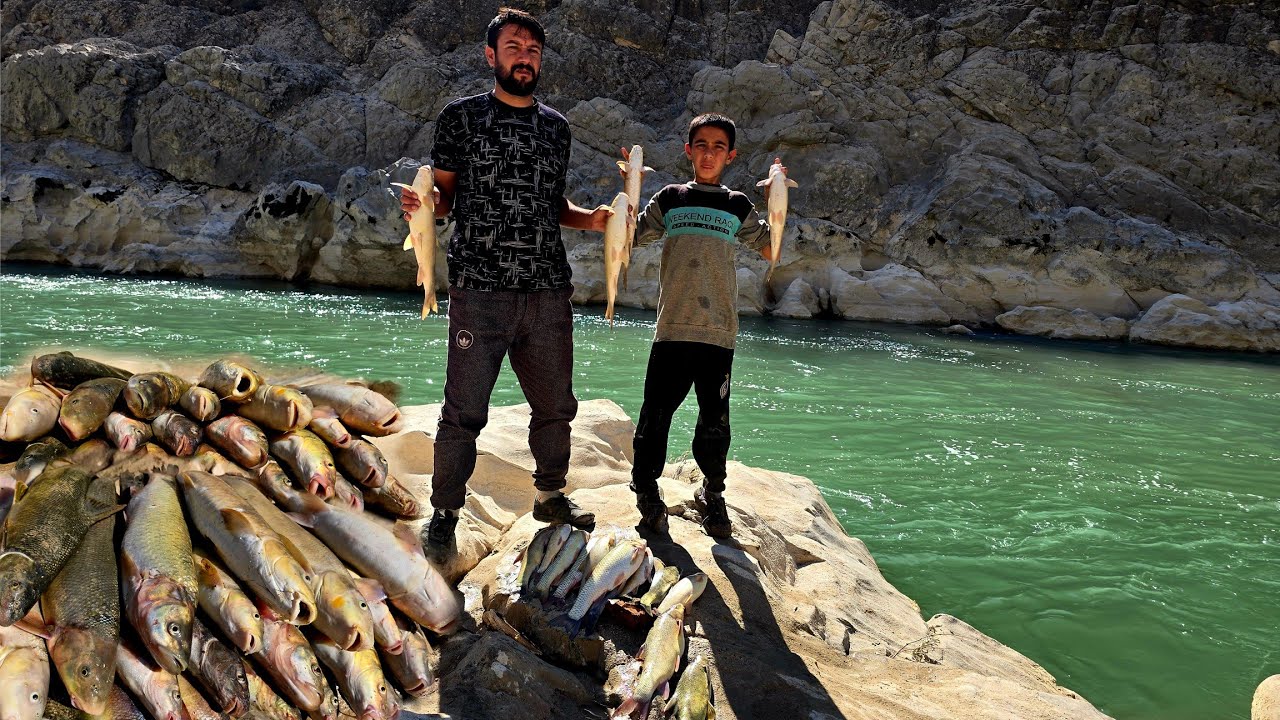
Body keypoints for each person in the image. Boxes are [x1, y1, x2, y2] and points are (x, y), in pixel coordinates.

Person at [399, 8, 613, 561]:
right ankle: (445, 512)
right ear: (490, 55)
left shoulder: (556, 127)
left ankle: (550, 496)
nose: (526, 57)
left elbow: (553, 205)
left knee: (556, 406)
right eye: (514, 46)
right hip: (480, 289)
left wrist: (591, 221)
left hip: (546, 289)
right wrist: (422, 207)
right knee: (463, 410)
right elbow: (443, 199)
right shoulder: (461, 118)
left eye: (534, 50)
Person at [626, 113, 780, 539]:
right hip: (672, 330)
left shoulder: (736, 205)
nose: (708, 153)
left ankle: (713, 492)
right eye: (701, 144)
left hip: (718, 334)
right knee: (654, 418)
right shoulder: (671, 198)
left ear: (730, 156)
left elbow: (771, 248)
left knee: (715, 422)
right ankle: (646, 491)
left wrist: (776, 199)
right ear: (687, 150)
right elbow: (630, 236)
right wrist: (631, 186)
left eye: (718, 147)